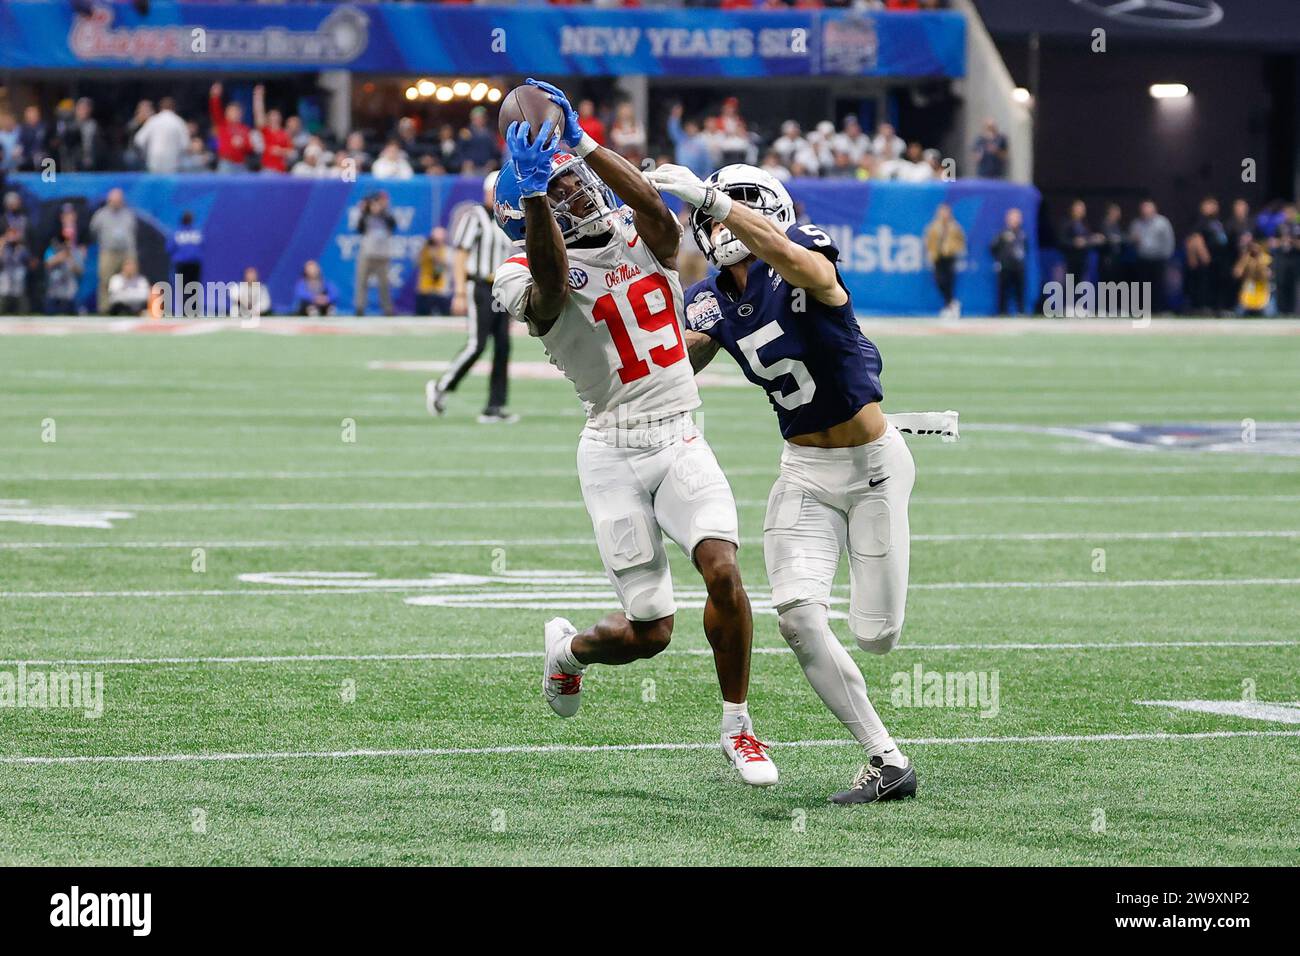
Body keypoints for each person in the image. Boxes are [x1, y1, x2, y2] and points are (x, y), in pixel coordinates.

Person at [492, 78, 776, 787]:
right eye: (562, 192)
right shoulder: (518, 271)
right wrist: (535, 195)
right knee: (651, 630)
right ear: (525, 209)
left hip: (679, 433)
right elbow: (554, 292)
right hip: (612, 449)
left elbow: (654, 206)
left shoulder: (628, 229)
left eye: (577, 184)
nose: (580, 196)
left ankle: (738, 727)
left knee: (725, 572)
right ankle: (569, 653)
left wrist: (581, 140)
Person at [648, 161, 919, 805]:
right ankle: (887, 761)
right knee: (798, 619)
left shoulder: (804, 248)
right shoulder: (709, 296)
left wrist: (714, 199)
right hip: (804, 472)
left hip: (874, 467)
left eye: (738, 207)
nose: (721, 221)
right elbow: (676, 363)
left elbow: (812, 271)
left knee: (877, 636)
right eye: (713, 214)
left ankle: (883, 747)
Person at [426, 172, 515, 422]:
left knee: (503, 347)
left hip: (501, 288)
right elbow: (461, 254)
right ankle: (441, 387)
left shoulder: (505, 220)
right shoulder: (474, 217)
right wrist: (460, 291)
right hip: (480, 286)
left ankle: (494, 407)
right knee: (477, 344)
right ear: (488, 192)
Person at [88, 188, 137, 314]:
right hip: (108, 251)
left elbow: (133, 232)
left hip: (126, 252)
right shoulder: (101, 215)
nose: (116, 202)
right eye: (114, 200)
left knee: (129, 280)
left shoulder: (128, 214)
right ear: (109, 200)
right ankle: (104, 309)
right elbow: (93, 231)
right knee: (105, 280)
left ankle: (129, 308)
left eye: (119, 200)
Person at [1185, 196, 1230, 316]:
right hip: (1207, 258)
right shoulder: (1200, 221)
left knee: (1218, 284)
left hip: (1219, 258)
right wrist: (1202, 254)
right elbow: (1194, 238)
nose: (1211, 207)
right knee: (1204, 284)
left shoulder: (1218, 222)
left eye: (1214, 205)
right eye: (1209, 205)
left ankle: (1218, 307)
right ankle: (1203, 307)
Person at [353, 191, 395, 316]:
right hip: (367, 254)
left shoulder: (386, 215)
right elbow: (359, 229)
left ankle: (387, 309)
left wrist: (381, 210)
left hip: (382, 255)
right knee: (362, 282)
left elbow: (393, 224)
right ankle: (360, 308)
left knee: (384, 284)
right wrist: (364, 210)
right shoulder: (366, 216)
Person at [1129, 199, 1174, 314]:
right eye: (1144, 208)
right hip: (1143, 258)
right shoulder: (1137, 223)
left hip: (1159, 258)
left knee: (1159, 285)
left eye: (1148, 208)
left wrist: (1167, 256)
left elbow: (1169, 240)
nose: (1146, 210)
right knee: (1143, 286)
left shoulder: (1162, 222)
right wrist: (1134, 241)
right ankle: (1144, 310)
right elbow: (1131, 240)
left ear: (1154, 209)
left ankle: (1159, 309)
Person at [924, 202, 966, 318]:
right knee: (939, 281)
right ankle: (951, 303)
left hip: (949, 256)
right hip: (938, 257)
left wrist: (954, 249)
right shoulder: (933, 226)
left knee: (949, 281)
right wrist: (931, 252)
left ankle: (949, 305)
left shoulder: (954, 227)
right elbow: (929, 240)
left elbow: (961, 241)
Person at [133, 97, 188, 174]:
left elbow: (139, 140)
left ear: (160, 108)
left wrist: (144, 155)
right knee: (169, 183)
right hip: (172, 160)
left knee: (155, 182)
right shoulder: (179, 122)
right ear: (174, 108)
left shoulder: (153, 120)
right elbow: (185, 145)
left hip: (154, 158)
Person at [991, 207, 1028, 316]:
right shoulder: (1002, 233)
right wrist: (1001, 259)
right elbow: (993, 247)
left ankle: (1021, 311)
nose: (1015, 220)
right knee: (1003, 290)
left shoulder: (1022, 234)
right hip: (1006, 266)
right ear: (1008, 219)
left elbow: (1025, 248)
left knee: (1019, 290)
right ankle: (1002, 311)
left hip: (1019, 266)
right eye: (1013, 217)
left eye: (1017, 218)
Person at [209, 83, 253, 173]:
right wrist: (215, 96)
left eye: (237, 111)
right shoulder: (222, 124)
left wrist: (242, 144)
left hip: (240, 164)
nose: (234, 114)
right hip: (226, 163)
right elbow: (215, 109)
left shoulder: (245, 129)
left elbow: (250, 148)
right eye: (232, 111)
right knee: (222, 186)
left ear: (241, 114)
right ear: (226, 113)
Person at [253, 86, 292, 175]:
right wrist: (258, 97)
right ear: (268, 118)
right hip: (268, 170)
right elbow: (258, 113)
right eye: (272, 116)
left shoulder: (285, 133)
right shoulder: (266, 131)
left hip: (281, 170)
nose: (274, 118)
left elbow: (291, 152)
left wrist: (280, 151)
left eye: (276, 115)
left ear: (280, 118)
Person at [415, 227, 451, 317]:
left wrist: (437, 258)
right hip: (425, 289)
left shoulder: (447, 251)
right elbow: (416, 262)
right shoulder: (425, 250)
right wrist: (427, 252)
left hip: (441, 291)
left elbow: (447, 266)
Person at [1233, 240, 1272, 316]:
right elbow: (1237, 273)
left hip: (1262, 289)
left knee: (1269, 313)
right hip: (1249, 288)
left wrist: (1259, 263)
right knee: (1240, 312)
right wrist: (1245, 261)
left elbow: (1267, 275)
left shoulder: (1267, 259)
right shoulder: (1246, 259)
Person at [169, 211, 204, 292]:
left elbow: (169, 248)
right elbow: (202, 246)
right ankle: (193, 304)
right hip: (195, 264)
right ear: (192, 220)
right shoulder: (197, 233)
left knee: (182, 288)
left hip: (181, 265)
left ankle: (184, 304)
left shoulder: (177, 233)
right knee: (194, 288)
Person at [0, 223, 29, 314]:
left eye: (14, 233)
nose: (13, 236)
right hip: (6, 273)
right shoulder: (4, 247)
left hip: (17, 274)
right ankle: (2, 312)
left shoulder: (21, 248)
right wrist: (2, 243)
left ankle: (21, 313)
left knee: (19, 289)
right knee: (4, 290)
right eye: (11, 233)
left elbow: (27, 261)